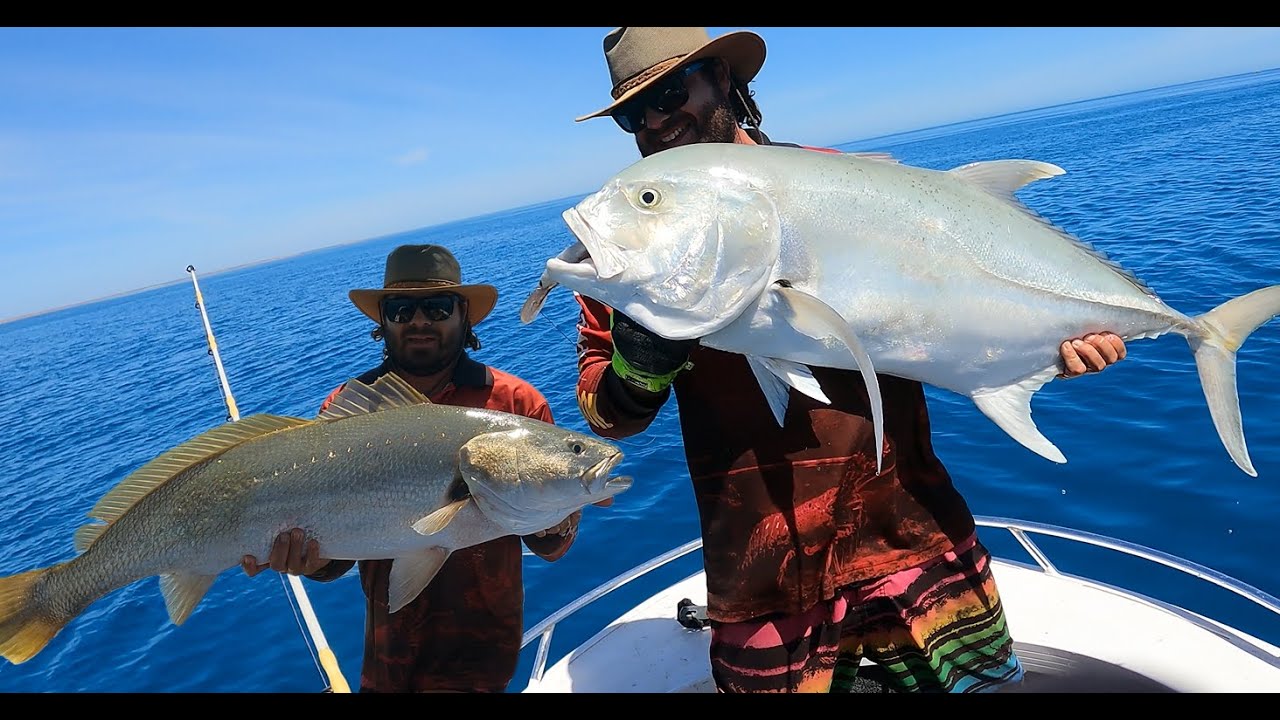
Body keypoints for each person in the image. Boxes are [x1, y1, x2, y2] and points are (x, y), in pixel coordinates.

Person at [570, 27, 1128, 694]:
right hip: (765, 579)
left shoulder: (849, 184)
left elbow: (956, 314)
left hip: (915, 536)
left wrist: (1045, 353)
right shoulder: (631, 250)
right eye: (635, 113)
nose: (657, 121)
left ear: (722, 77)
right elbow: (606, 414)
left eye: (668, 92)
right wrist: (641, 364)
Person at [241, 243, 594, 693]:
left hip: (484, 663)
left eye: (438, 307)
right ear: (382, 321)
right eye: (401, 309)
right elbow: (334, 552)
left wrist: (556, 527)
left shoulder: (514, 405)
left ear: (464, 316)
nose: (420, 320)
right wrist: (309, 560)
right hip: (388, 666)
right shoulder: (347, 412)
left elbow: (551, 545)